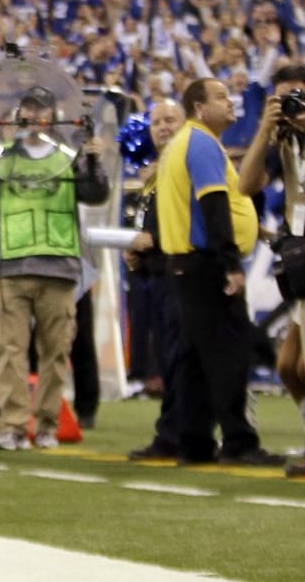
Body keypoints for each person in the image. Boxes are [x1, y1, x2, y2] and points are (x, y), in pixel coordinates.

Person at [0, 86, 109, 451]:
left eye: (41, 111)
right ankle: (13, 426)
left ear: (53, 116)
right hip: (11, 264)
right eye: (28, 111)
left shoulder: (70, 157)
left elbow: (95, 193)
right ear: (18, 116)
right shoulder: (2, 159)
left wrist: (93, 160)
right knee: (10, 350)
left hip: (58, 265)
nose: (34, 118)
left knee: (55, 353)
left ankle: (45, 425)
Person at [157, 78, 283, 466]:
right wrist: (230, 263)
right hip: (207, 264)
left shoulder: (185, 143)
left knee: (196, 359)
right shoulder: (201, 143)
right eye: (221, 97)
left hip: (187, 266)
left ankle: (194, 443)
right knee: (230, 354)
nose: (231, 103)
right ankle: (239, 442)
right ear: (199, 108)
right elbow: (214, 206)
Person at [237, 64, 305, 475]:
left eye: (298, 95)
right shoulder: (283, 142)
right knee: (286, 367)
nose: (292, 105)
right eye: (283, 98)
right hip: (300, 256)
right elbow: (245, 186)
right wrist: (266, 128)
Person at [125, 99, 187, 461]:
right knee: (165, 357)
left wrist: (156, 241)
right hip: (157, 274)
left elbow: (189, 220)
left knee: (179, 357)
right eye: (156, 122)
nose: (162, 126)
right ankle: (171, 431)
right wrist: (137, 251)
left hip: (179, 271)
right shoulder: (154, 174)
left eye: (170, 120)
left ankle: (179, 434)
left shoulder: (184, 165)